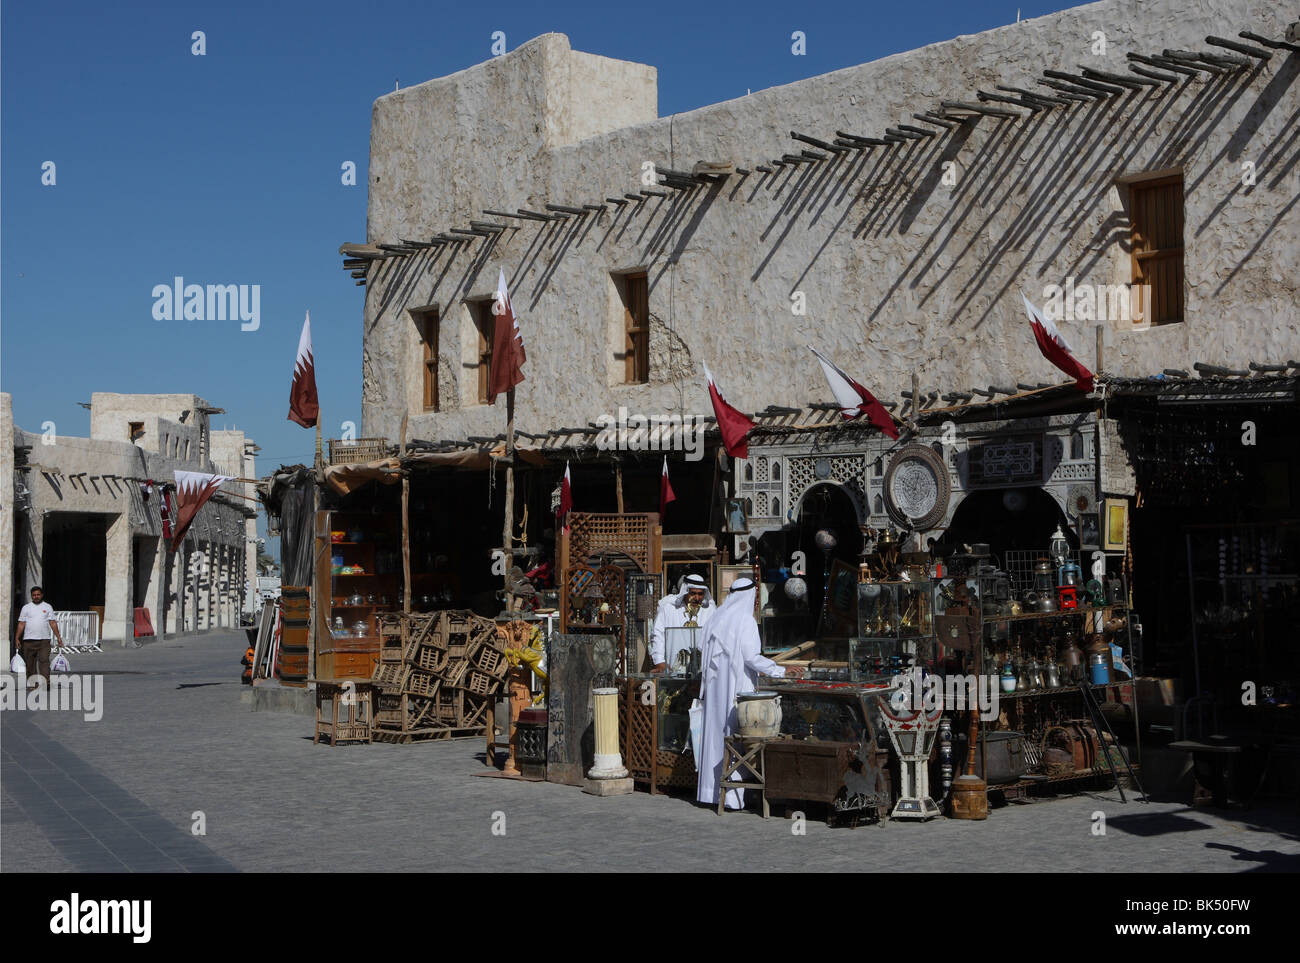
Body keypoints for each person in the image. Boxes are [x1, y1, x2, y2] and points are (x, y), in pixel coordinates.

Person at [695, 576, 801, 809]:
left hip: (714, 692)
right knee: (736, 738)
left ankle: (711, 792)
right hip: (736, 689)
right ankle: (733, 796)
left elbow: (701, 648)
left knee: (716, 736)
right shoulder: (745, 620)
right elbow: (751, 658)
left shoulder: (715, 618)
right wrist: (780, 670)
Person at [649, 574, 716, 673]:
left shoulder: (709, 611)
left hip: (702, 670)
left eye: (700, 594)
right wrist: (660, 662)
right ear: (685, 592)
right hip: (673, 668)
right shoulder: (669, 609)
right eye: (693, 593)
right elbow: (658, 635)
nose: (697, 598)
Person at [16, 586, 63, 687]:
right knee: (30, 664)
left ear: (41, 595)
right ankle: (33, 684)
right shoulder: (26, 608)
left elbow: (53, 622)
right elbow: (21, 624)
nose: (36, 597)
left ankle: (46, 681)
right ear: (31, 596)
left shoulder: (47, 607)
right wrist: (17, 638)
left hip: (44, 640)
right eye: (34, 595)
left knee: (44, 661)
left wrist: (58, 637)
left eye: (38, 595)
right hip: (28, 640)